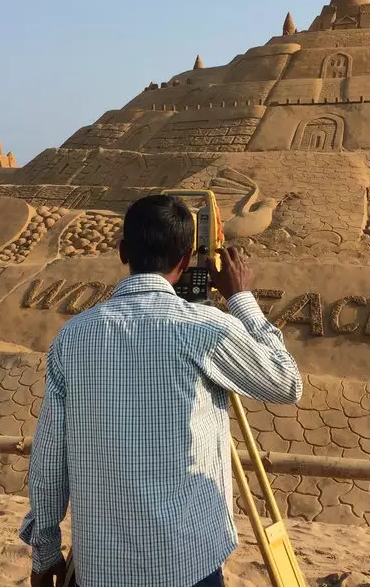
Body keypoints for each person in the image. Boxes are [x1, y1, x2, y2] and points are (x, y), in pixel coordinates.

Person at [20, 194, 303, 587]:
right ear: (187, 259)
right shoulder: (206, 328)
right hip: (189, 561)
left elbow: (50, 457)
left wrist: (45, 551)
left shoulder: (72, 337)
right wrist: (241, 299)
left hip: (102, 565)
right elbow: (287, 382)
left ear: (122, 252)